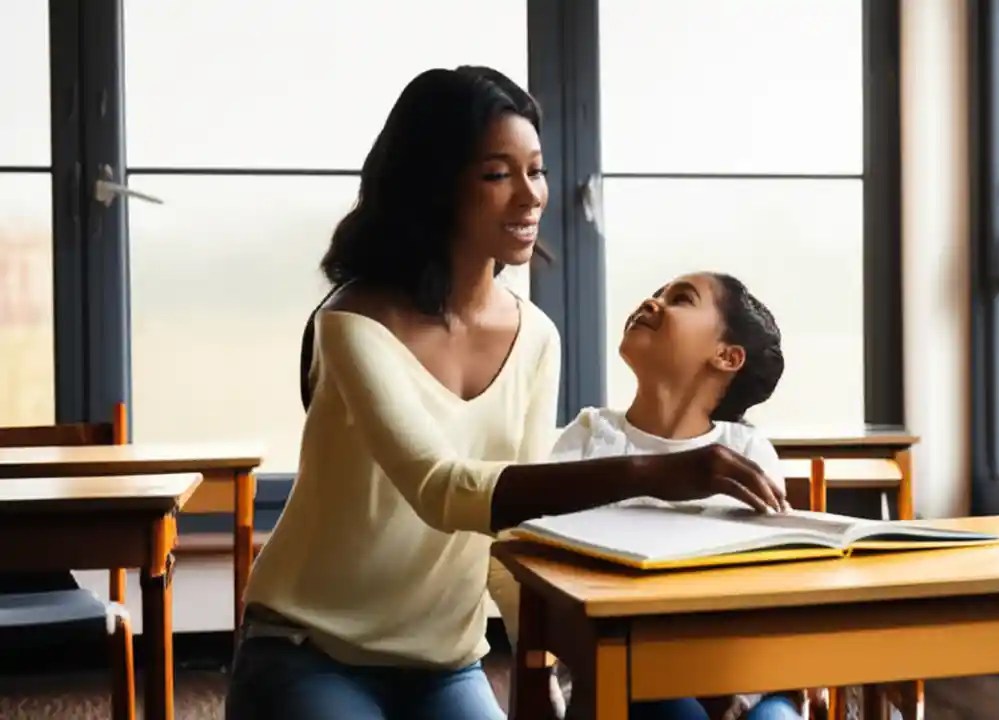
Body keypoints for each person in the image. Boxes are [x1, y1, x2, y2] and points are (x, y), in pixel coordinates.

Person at [223, 66, 784, 720]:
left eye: (536, 170)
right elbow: (443, 489)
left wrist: (539, 664)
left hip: (444, 666)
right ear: (435, 187)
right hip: (308, 647)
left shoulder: (536, 335)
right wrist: (661, 470)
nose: (530, 196)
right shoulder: (352, 323)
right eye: (497, 174)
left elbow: (511, 532)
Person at [488, 272, 811, 720]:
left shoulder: (748, 453)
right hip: (623, 672)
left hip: (740, 676)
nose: (652, 302)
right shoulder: (587, 440)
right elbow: (539, 575)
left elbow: (765, 584)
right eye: (657, 293)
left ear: (727, 356)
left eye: (681, 298)